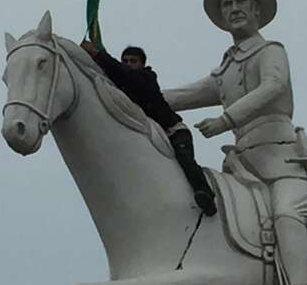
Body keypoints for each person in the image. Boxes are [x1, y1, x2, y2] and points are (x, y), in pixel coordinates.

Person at [164, 0, 307, 285]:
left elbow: (274, 86)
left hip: (281, 157)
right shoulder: (226, 68)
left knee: (286, 212)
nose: (233, 9)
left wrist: (226, 119)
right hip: (242, 166)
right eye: (227, 5)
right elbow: (184, 96)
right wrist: (130, 90)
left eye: (240, 2)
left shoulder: (270, 51)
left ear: (256, 11)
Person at [79, 40, 217, 217]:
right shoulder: (121, 85)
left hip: (173, 131)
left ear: (142, 64)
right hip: (147, 133)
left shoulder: (147, 77)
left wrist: (98, 54)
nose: (128, 64)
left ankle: (205, 194)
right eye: (125, 61)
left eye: (133, 61)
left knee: (186, 161)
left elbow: (125, 75)